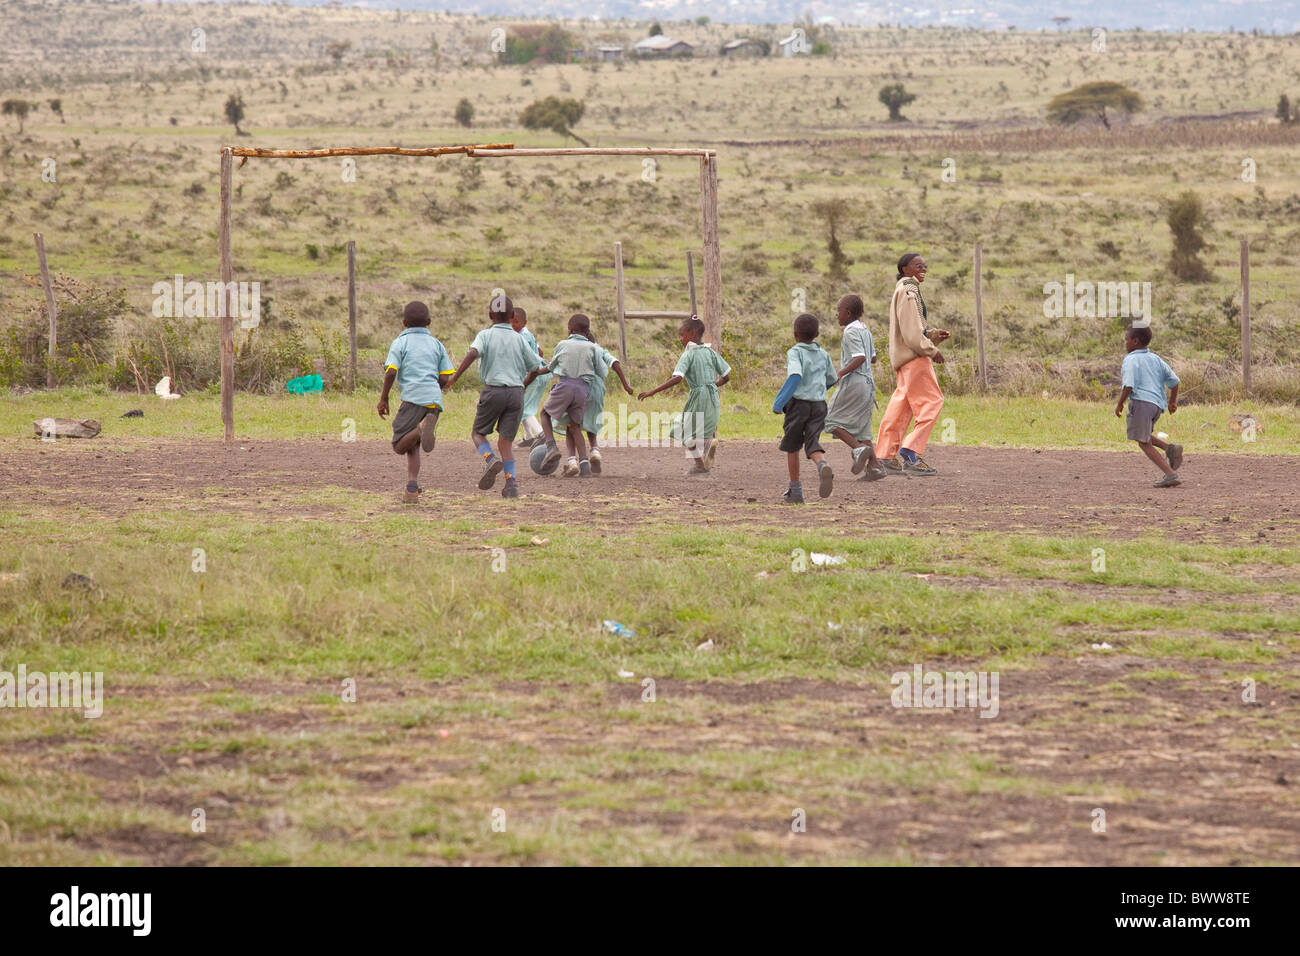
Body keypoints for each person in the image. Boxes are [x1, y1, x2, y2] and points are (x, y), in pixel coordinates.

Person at [445, 293, 546, 498]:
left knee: (478, 433)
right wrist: (524, 384)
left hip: (493, 391)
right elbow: (536, 366)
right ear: (511, 316)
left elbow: (473, 353)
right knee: (506, 442)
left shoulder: (485, 335)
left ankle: (489, 458)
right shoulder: (519, 339)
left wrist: (454, 378)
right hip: (516, 393)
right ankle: (511, 485)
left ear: (490, 315)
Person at [875, 252, 950, 477]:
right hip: (915, 359)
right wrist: (930, 349)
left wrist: (932, 335)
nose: (923, 269)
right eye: (918, 266)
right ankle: (910, 451)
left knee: (901, 407)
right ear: (905, 269)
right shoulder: (909, 290)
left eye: (925, 265)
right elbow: (911, 333)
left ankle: (885, 455)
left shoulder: (904, 289)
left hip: (904, 361)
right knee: (933, 401)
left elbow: (910, 329)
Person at [376, 301, 455, 504]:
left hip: (413, 398)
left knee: (399, 445)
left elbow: (391, 370)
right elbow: (446, 379)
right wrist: (431, 385)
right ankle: (411, 488)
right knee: (413, 446)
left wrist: (384, 398)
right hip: (434, 402)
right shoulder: (437, 344)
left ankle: (421, 429)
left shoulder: (400, 343)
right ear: (429, 322)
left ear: (403, 323)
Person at [637, 316, 730, 475]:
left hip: (698, 396)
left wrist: (652, 392)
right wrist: (712, 387)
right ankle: (702, 459)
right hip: (713, 395)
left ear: (693, 333)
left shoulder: (689, 354)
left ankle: (704, 452)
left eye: (682, 335)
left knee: (681, 429)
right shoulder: (710, 352)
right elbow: (727, 376)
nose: (680, 339)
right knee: (705, 428)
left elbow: (678, 378)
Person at [523, 313, 608, 477]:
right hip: (583, 389)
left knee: (545, 414)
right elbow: (603, 372)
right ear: (587, 331)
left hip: (565, 385)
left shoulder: (563, 344)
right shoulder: (593, 348)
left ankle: (551, 447)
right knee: (575, 426)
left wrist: (535, 372)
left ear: (569, 329)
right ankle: (584, 466)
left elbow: (552, 366)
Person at [548, 329, 634, 475]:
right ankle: (594, 451)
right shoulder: (599, 349)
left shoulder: (574, 348)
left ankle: (572, 460)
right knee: (591, 424)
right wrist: (625, 385)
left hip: (579, 390)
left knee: (571, 426)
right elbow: (615, 363)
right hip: (596, 392)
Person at [772, 313, 837, 503]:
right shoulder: (823, 354)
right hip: (819, 406)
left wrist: (779, 403)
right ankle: (822, 464)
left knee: (792, 446)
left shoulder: (795, 352)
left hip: (799, 406)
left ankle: (796, 491)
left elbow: (795, 375)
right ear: (817, 333)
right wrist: (817, 390)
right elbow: (832, 378)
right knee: (811, 443)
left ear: (795, 334)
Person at [823, 294, 886, 481]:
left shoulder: (850, 331)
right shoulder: (865, 330)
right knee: (863, 429)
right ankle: (875, 467)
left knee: (828, 419)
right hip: (868, 385)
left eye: (838, 311)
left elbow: (860, 357)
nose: (837, 315)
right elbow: (872, 357)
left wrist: (840, 373)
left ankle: (858, 450)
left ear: (848, 313)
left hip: (854, 383)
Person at [1115, 323, 1183, 487]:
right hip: (1156, 405)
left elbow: (1129, 385)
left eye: (1127, 340)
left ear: (1135, 341)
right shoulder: (1155, 358)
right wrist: (1172, 401)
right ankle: (1169, 448)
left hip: (1141, 403)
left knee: (1143, 442)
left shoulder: (1131, 360)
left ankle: (1170, 474)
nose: (1125, 343)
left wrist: (1120, 403)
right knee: (1142, 434)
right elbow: (1174, 382)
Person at [513, 306, 552, 450]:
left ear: (524, 323)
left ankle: (542, 435)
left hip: (533, 375)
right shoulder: (528, 334)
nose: (512, 325)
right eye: (510, 321)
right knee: (524, 405)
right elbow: (540, 351)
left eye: (516, 322)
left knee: (523, 409)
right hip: (540, 373)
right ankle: (528, 437)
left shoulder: (521, 337)